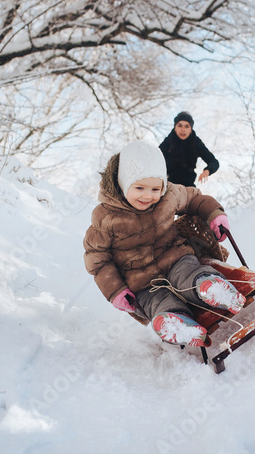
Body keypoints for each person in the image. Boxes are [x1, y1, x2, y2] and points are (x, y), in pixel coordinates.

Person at [83, 140, 245, 347]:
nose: (148, 195)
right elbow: (97, 260)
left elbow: (195, 199)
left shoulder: (168, 196)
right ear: (123, 184)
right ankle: (175, 324)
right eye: (139, 187)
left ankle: (211, 288)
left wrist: (214, 214)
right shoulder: (105, 218)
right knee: (156, 301)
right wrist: (115, 291)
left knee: (187, 274)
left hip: (174, 257)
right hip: (140, 281)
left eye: (155, 188)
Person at [158, 111, 220, 187]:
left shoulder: (196, 143)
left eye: (187, 126)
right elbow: (155, 159)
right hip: (170, 185)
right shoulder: (169, 141)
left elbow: (214, 162)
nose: (183, 130)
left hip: (189, 186)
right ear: (175, 128)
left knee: (208, 199)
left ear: (191, 129)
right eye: (179, 126)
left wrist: (207, 170)